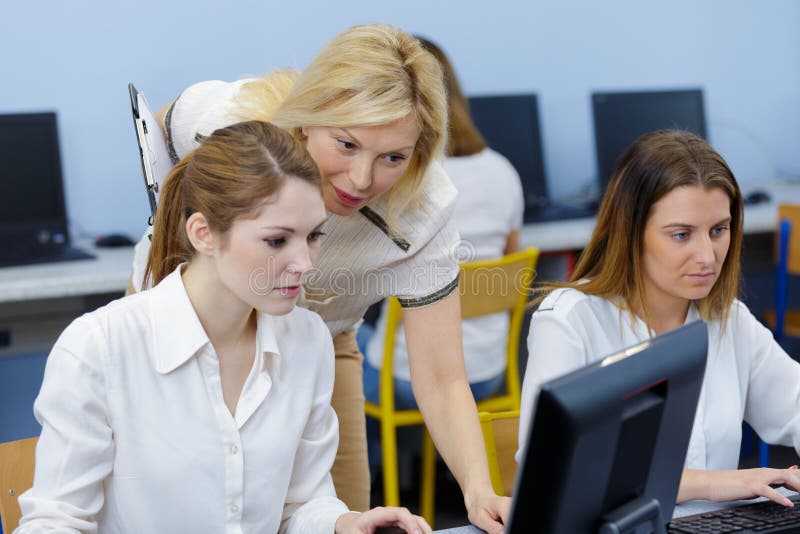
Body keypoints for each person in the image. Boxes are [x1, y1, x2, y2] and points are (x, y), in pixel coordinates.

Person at [127, 24, 508, 531]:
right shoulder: (234, 121)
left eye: (393, 157)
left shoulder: (422, 214)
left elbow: (441, 376)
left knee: (344, 514)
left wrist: (479, 489)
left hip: (319, 339)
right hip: (189, 335)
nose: (362, 180)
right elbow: (157, 132)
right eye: (346, 144)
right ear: (309, 119)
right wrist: (180, 236)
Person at [16, 121, 431, 533]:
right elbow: (55, 522)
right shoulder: (99, 347)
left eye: (314, 236)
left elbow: (301, 504)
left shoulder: (308, 341)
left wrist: (345, 524)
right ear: (203, 234)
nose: (305, 263)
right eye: (276, 241)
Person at [518, 129, 800, 508]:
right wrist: (711, 484)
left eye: (719, 230)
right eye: (682, 235)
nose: (707, 256)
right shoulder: (570, 323)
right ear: (631, 232)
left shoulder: (728, 319)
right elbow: (554, 476)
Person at [363, 35, 523, 411]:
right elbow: (512, 269)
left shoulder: (404, 179)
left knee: (342, 344)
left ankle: (373, 469)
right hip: (489, 372)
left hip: (408, 382)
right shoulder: (504, 171)